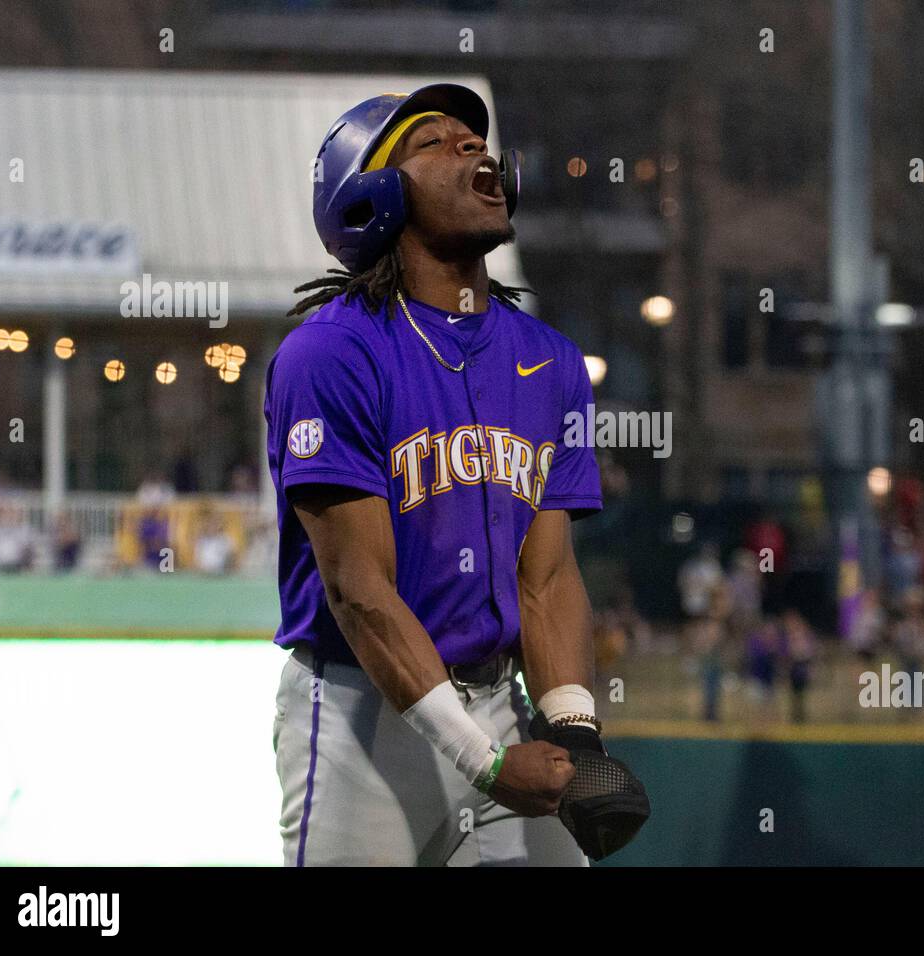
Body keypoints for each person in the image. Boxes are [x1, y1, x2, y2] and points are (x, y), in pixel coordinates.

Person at [266, 85, 646, 867]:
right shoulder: (331, 353)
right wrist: (486, 763)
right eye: (434, 142)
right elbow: (359, 591)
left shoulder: (551, 361)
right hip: (360, 719)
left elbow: (546, 577)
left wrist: (572, 725)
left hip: (499, 701)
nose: (474, 146)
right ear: (370, 197)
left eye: (475, 138)